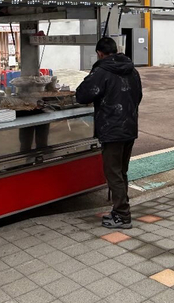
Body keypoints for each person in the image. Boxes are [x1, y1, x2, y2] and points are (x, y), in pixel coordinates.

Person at [76, 36, 142, 229]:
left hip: (112, 130)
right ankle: (119, 210)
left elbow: (82, 95)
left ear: (100, 53)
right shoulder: (132, 70)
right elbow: (138, 96)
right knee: (121, 172)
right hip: (129, 127)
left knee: (113, 173)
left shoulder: (102, 71)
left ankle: (122, 215)